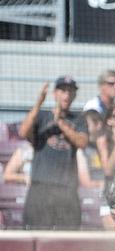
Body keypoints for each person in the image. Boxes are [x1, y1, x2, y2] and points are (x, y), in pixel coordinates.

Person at [18, 76, 89, 230]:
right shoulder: (42, 116)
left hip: (67, 188)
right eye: (63, 91)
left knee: (67, 237)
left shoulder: (79, 119)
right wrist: (39, 103)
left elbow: (82, 142)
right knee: (36, 234)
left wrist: (60, 123)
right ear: (54, 93)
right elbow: (23, 132)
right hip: (40, 187)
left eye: (70, 91)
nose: (67, 95)